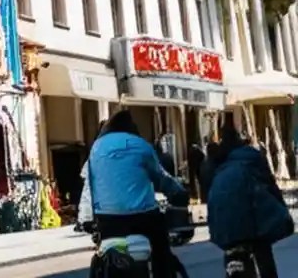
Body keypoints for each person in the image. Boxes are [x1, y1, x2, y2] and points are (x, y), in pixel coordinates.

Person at [86, 110, 186, 278]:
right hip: (142, 217)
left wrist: (88, 218)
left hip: (108, 220)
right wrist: (179, 193)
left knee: (101, 257)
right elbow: (161, 177)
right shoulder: (140, 145)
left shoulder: (96, 148)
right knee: (161, 250)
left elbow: (90, 185)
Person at [203, 124, 293, 278]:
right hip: (251, 229)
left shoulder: (216, 165)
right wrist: (283, 215)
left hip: (223, 232)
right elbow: (270, 188)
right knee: (263, 255)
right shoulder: (251, 158)